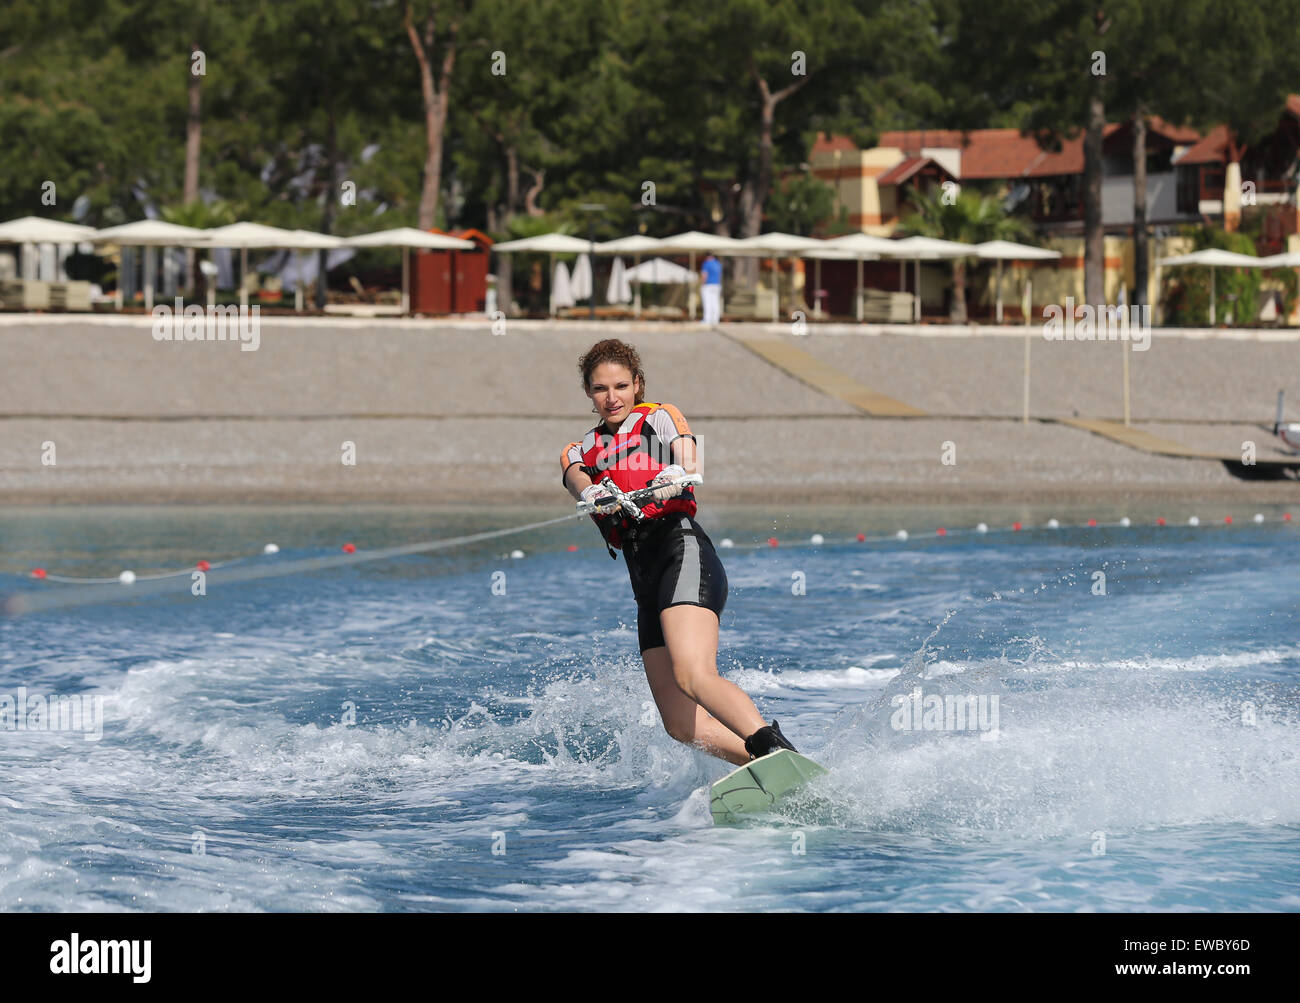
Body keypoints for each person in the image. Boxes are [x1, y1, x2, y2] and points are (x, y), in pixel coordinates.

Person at [560, 338, 798, 766]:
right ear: (588, 393)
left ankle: (774, 748)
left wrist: (678, 472)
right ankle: (763, 767)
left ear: (637, 385)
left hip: (681, 553)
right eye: (599, 388)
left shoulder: (660, 418)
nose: (611, 397)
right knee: (680, 725)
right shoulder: (581, 450)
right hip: (645, 582)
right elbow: (575, 476)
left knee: (693, 676)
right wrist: (593, 491)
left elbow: (687, 454)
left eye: (620, 386)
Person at [699, 252, 722, 326]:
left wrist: (702, 284)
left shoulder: (706, 263)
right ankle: (715, 319)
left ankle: (707, 319)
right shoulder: (718, 264)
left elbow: (704, 275)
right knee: (715, 303)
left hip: (708, 285)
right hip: (717, 285)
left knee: (707, 302)